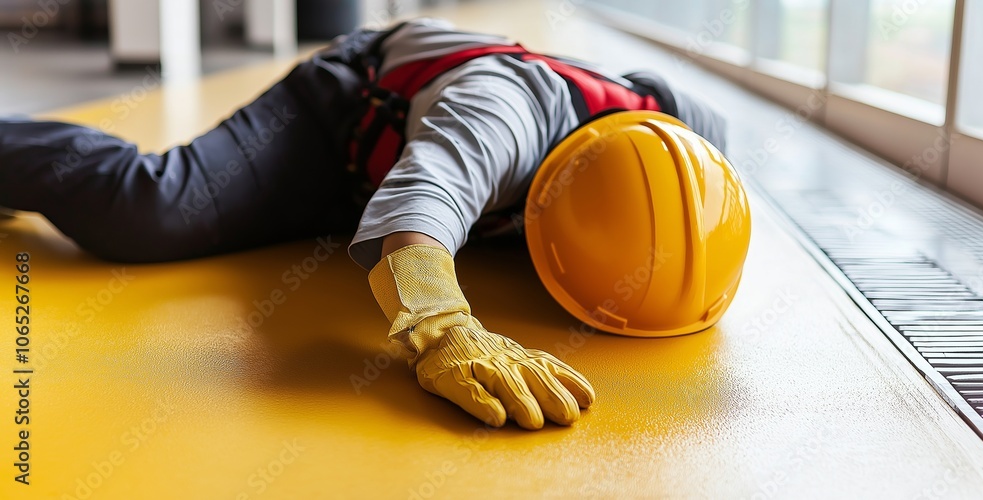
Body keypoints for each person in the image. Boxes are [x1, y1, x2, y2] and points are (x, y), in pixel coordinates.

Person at [0, 18, 741, 430]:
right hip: (340, 120)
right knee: (153, 209)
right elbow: (423, 204)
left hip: (425, 126)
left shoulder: (690, 141)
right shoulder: (498, 119)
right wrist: (445, 330)